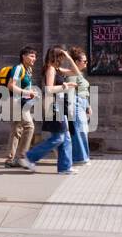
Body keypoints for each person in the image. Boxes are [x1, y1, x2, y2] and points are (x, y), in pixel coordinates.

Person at [19, 47, 78, 175]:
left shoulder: (57, 69)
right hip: (53, 106)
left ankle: (65, 167)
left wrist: (69, 58)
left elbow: (76, 72)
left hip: (59, 106)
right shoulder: (50, 69)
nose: (63, 58)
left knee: (65, 137)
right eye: (62, 56)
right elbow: (49, 89)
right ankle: (30, 156)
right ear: (56, 56)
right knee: (59, 138)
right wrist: (65, 86)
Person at [3, 47, 40, 167]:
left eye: (35, 56)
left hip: (22, 102)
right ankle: (21, 157)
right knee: (29, 126)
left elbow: (25, 87)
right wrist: (27, 93)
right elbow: (10, 86)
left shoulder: (28, 69)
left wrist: (32, 94)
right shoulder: (18, 68)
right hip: (16, 101)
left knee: (16, 129)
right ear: (23, 56)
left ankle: (10, 159)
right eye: (32, 56)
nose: (34, 59)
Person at [66, 47, 92, 167]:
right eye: (84, 61)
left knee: (83, 131)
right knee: (79, 131)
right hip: (75, 103)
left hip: (81, 103)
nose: (86, 63)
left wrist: (87, 105)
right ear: (76, 62)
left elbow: (83, 91)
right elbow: (72, 92)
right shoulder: (72, 75)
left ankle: (83, 157)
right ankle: (79, 158)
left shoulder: (79, 74)